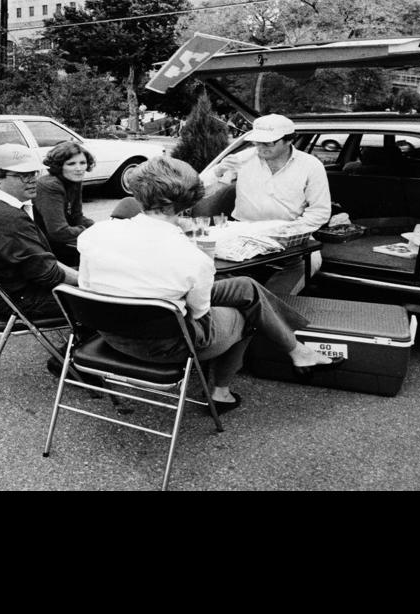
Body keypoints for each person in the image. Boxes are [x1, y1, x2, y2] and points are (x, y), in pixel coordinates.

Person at [77, 156, 340, 414]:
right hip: (165, 344)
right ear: (190, 201)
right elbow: (200, 312)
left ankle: (297, 350)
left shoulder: (94, 234)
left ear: (137, 193)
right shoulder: (193, 258)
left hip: (110, 330)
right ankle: (220, 392)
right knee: (246, 314)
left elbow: (86, 284)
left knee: (245, 286)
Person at [199, 112, 331, 293]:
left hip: (289, 231)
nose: (260, 147)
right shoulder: (243, 159)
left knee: (313, 259)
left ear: (288, 140)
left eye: (267, 143)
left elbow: (320, 212)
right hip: (243, 229)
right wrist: (219, 170)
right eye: (256, 141)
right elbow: (200, 191)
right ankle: (235, 299)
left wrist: (289, 231)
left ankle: (270, 303)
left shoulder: (311, 165)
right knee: (207, 258)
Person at [0, 143, 78, 327]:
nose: (32, 180)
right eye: (22, 175)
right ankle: (75, 354)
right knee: (115, 299)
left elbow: (41, 262)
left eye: (34, 173)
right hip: (21, 300)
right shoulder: (6, 217)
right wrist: (91, 281)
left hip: (7, 292)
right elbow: (49, 275)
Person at [32, 140, 97, 268]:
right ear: (59, 166)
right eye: (71, 164)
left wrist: (98, 227)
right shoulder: (50, 185)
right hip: (43, 248)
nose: (78, 168)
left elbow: (76, 216)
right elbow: (58, 232)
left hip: (60, 242)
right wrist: (90, 232)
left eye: (82, 163)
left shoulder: (74, 180)